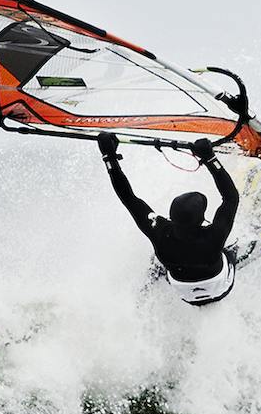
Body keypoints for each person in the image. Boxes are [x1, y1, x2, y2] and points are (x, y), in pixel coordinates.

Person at [96, 131, 240, 306]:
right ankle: (237, 255)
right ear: (201, 220)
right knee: (233, 248)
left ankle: (154, 278)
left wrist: (108, 157)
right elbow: (231, 197)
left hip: (184, 293)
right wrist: (209, 158)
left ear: (171, 218)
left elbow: (128, 198)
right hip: (219, 287)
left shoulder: (159, 230)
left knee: (159, 257)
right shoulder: (214, 235)